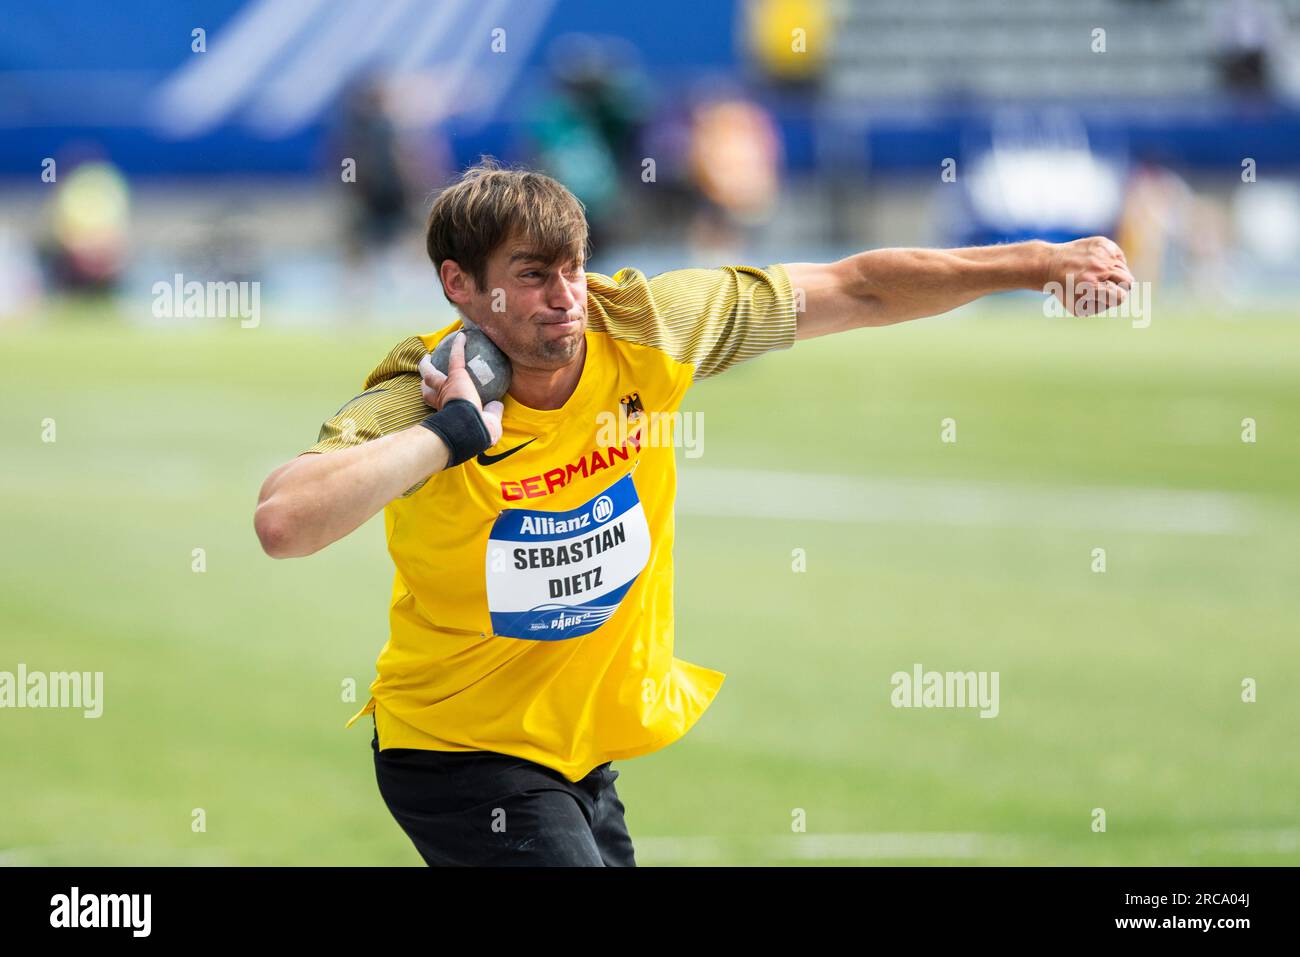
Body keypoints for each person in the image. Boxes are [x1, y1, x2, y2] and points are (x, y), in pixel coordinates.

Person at [253, 158, 1133, 866]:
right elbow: (284, 520)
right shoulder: (423, 391)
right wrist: (448, 434)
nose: (566, 296)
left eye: (573, 266)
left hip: (578, 750)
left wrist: (1040, 263)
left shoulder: (649, 327)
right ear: (459, 283)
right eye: (531, 276)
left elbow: (857, 287)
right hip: (458, 753)